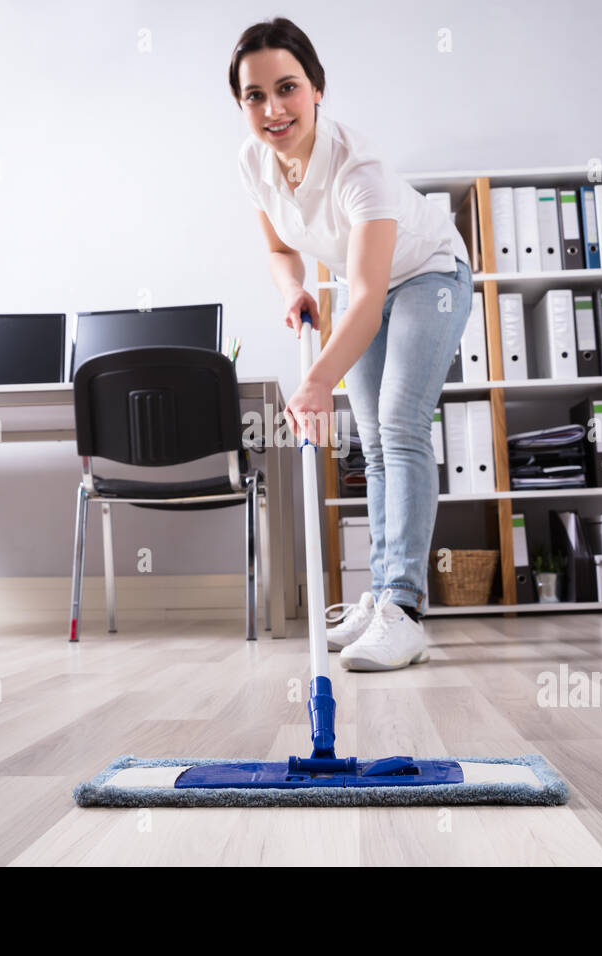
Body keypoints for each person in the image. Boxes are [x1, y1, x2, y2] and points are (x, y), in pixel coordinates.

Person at [230, 17, 472, 671]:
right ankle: (382, 595)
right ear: (242, 105)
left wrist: (315, 384)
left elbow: (364, 298)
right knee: (373, 436)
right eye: (255, 95)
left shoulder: (357, 167)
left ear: (317, 89)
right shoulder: (255, 163)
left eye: (287, 88)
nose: (273, 108)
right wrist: (292, 292)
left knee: (400, 423)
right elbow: (281, 249)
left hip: (430, 277)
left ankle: (405, 610)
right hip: (368, 289)